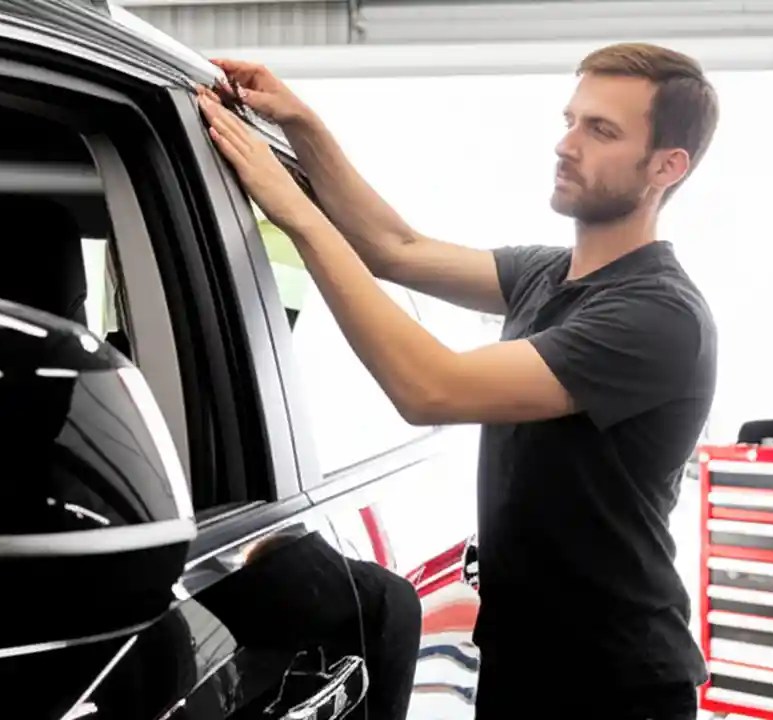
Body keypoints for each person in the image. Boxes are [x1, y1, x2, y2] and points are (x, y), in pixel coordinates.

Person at [197, 40, 719, 720]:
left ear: (666, 167)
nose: (567, 145)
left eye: (602, 131)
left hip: (613, 686)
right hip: (523, 664)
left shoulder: (656, 316)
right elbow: (395, 248)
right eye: (570, 120)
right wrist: (303, 125)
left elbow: (431, 387)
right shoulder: (547, 274)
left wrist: (295, 214)